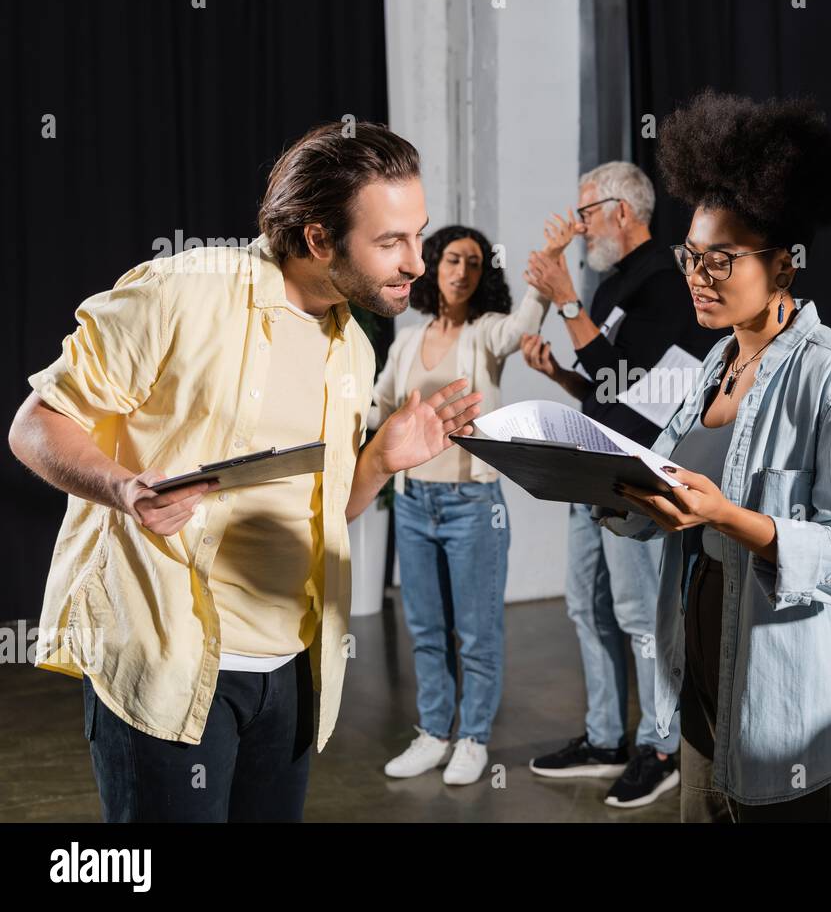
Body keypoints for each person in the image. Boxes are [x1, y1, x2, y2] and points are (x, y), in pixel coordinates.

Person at [8, 123, 480, 821]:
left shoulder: (352, 345)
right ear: (319, 239)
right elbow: (34, 424)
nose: (417, 261)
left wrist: (380, 459)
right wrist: (123, 487)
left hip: (289, 673)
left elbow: (322, 513)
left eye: (419, 234)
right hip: (170, 659)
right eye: (390, 242)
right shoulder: (180, 292)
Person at [604, 90, 831, 822]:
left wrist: (729, 517)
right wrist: (600, 483)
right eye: (691, 256)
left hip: (790, 713)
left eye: (721, 260)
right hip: (703, 700)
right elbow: (663, 489)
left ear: (785, 266)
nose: (698, 276)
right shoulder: (713, 363)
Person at [519, 161, 719, 808]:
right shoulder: (612, 285)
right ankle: (606, 737)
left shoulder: (664, 279)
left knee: (639, 614)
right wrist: (561, 377)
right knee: (586, 605)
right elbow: (610, 388)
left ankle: (659, 746)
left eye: (585, 214)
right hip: (593, 459)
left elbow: (633, 383)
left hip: (634, 473)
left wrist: (566, 300)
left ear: (622, 211)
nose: (578, 228)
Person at [374, 225, 548, 785]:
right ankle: (433, 733)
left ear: (481, 275)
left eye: (474, 264)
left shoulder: (487, 332)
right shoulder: (406, 340)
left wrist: (543, 281)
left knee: (475, 632)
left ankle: (472, 738)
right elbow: (377, 410)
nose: (462, 271)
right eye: (453, 260)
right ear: (434, 265)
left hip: (474, 504)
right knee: (425, 628)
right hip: (413, 502)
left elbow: (522, 328)